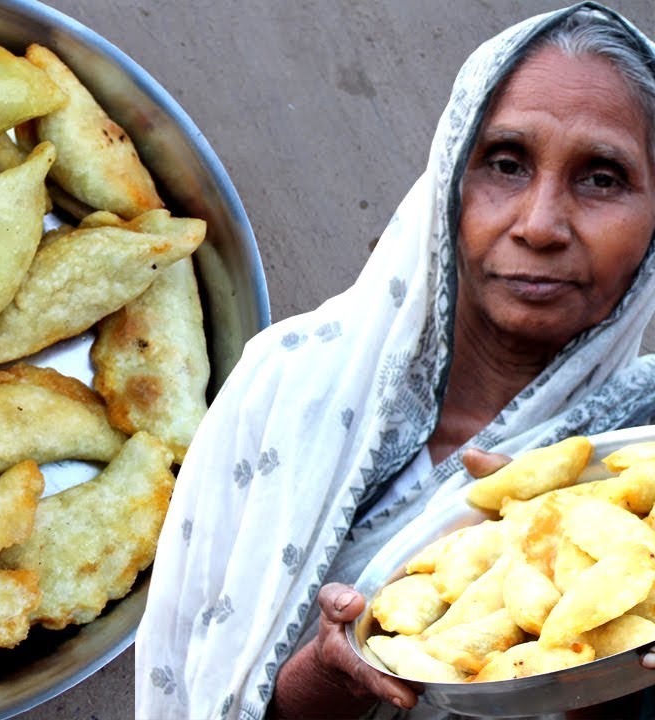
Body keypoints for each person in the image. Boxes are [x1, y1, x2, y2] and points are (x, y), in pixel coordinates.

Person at [134, 3, 655, 718]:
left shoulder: (635, 469)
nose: (540, 225)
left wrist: (605, 673)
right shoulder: (290, 379)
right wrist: (328, 675)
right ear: (447, 178)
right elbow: (188, 680)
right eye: (505, 164)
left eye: (601, 178)